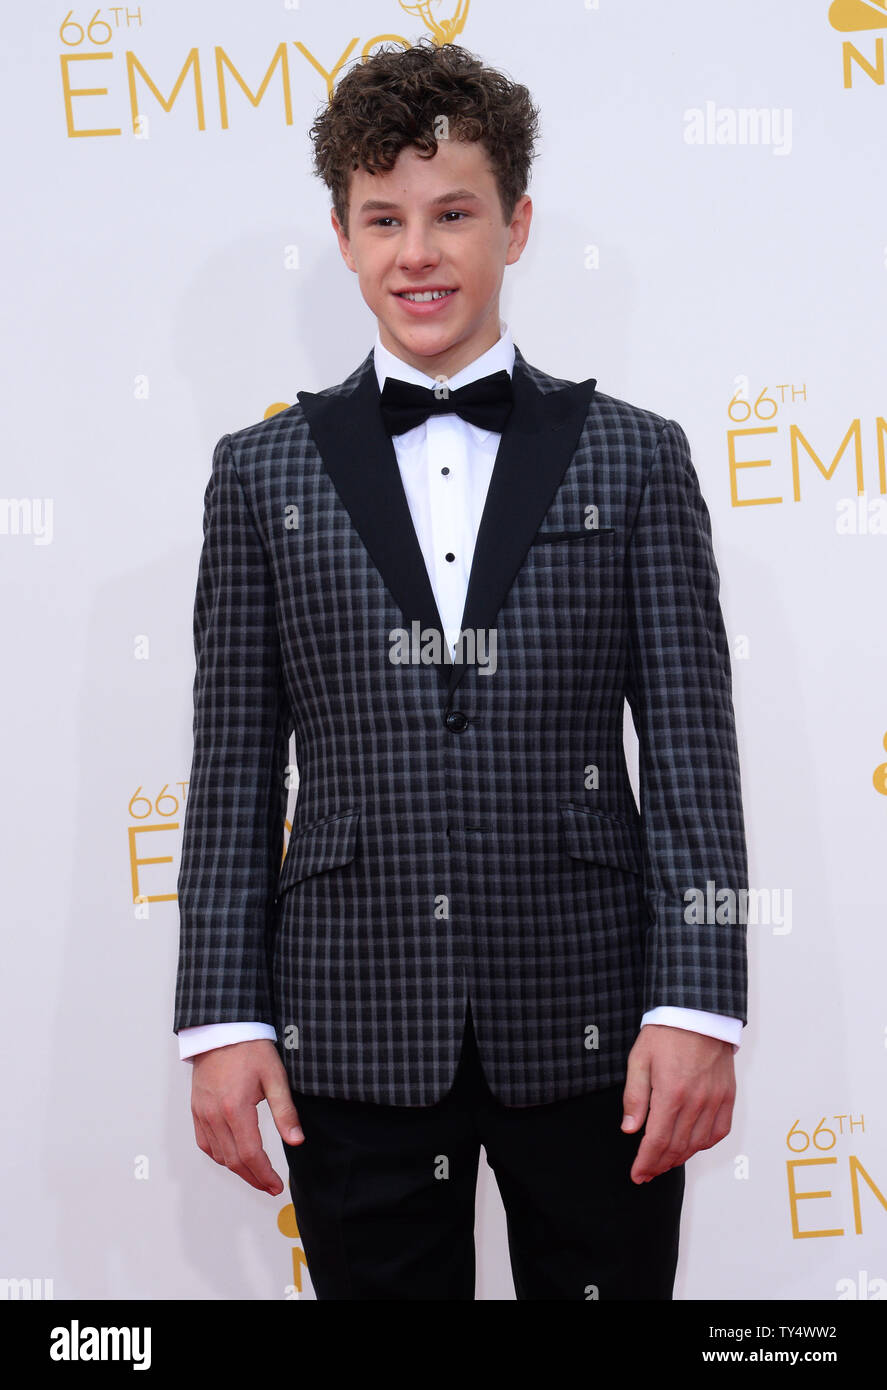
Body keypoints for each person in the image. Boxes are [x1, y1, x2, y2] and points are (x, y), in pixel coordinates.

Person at [174, 38, 748, 1301]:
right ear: (341, 236)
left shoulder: (635, 459)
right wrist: (221, 1021)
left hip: (598, 1029)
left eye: (451, 214)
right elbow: (229, 772)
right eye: (382, 218)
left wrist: (699, 1007)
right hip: (348, 1029)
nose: (416, 253)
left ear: (515, 224)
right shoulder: (259, 475)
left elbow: (694, 752)